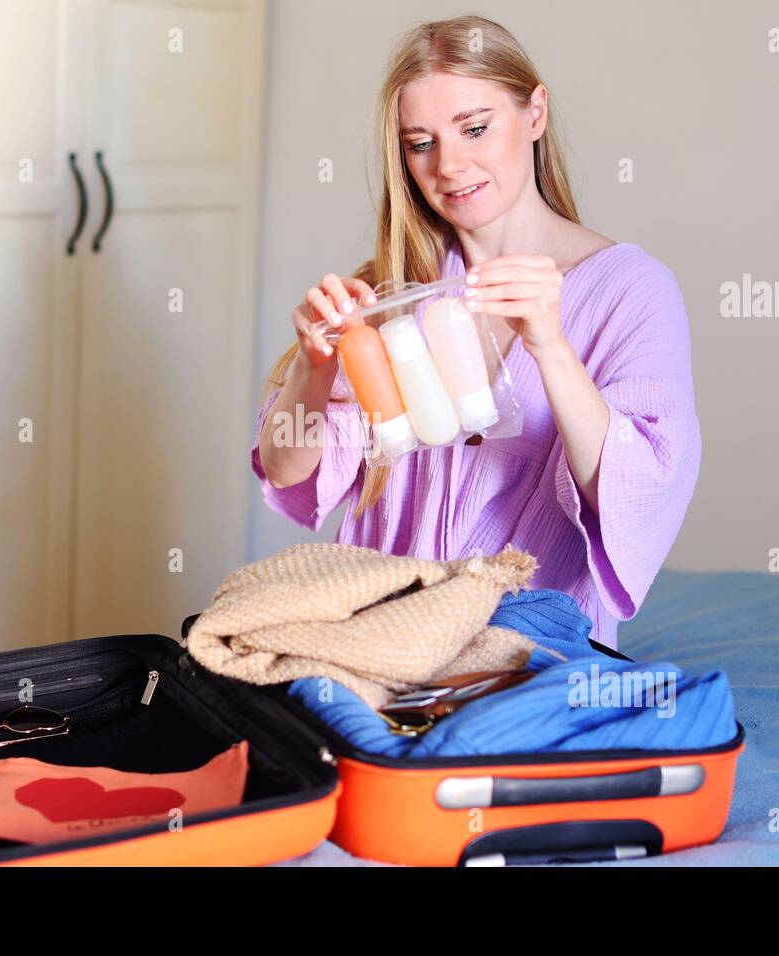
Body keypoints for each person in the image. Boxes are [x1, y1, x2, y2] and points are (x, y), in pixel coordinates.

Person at [252, 14, 701, 651]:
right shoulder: (389, 297)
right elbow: (287, 468)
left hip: (523, 658)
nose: (451, 166)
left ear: (536, 112)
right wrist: (315, 365)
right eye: (422, 142)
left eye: (475, 128)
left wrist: (550, 346)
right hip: (376, 645)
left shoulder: (633, 292)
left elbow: (636, 499)